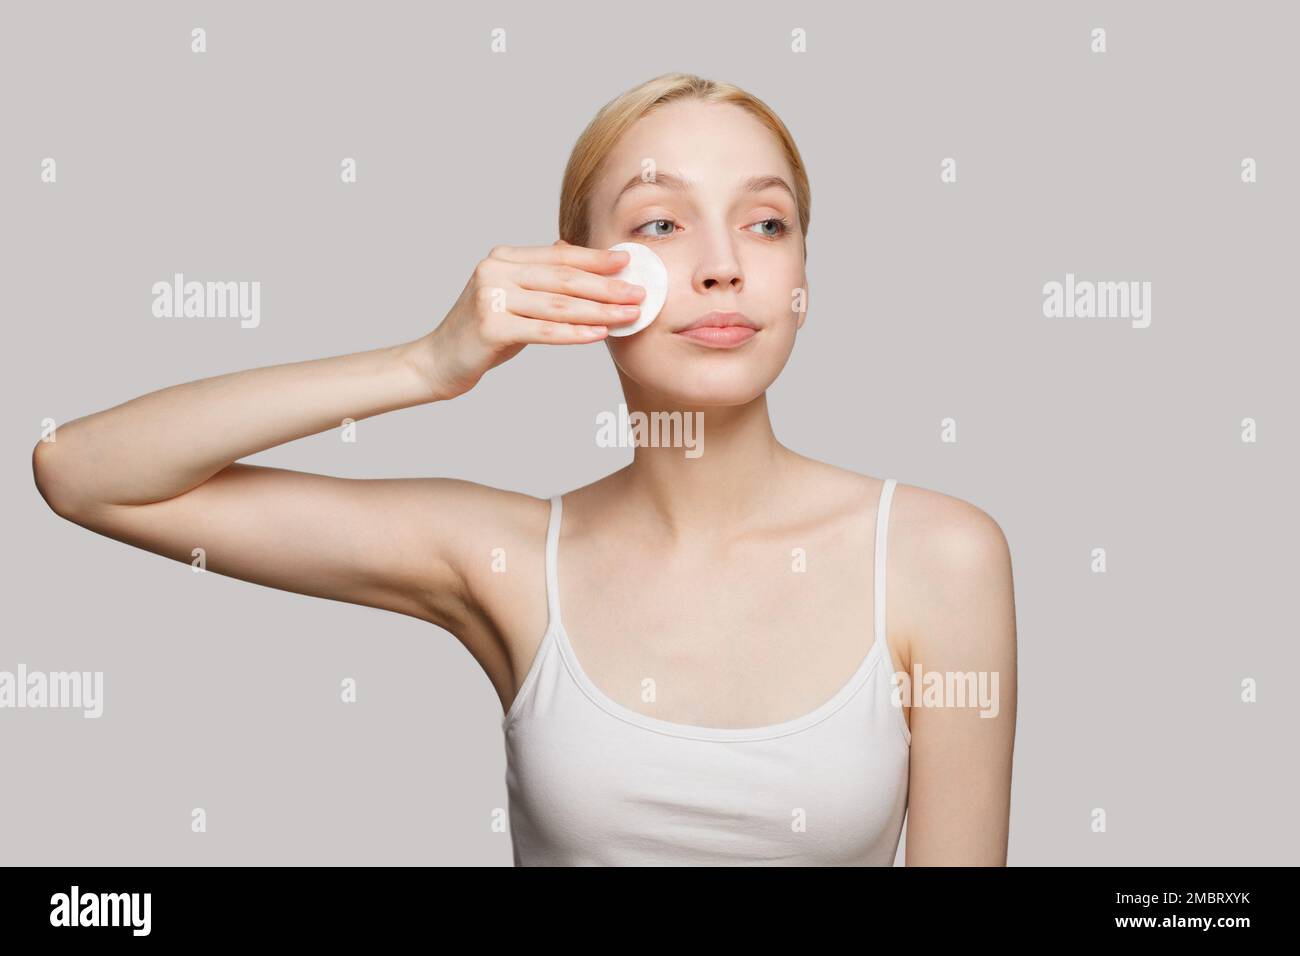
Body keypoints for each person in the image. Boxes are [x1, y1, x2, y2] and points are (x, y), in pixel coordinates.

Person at [32, 72, 1017, 866]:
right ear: (576, 273)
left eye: (765, 222)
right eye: (660, 224)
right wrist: (426, 363)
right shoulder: (505, 558)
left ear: (800, 272)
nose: (723, 263)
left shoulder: (936, 555)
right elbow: (84, 472)